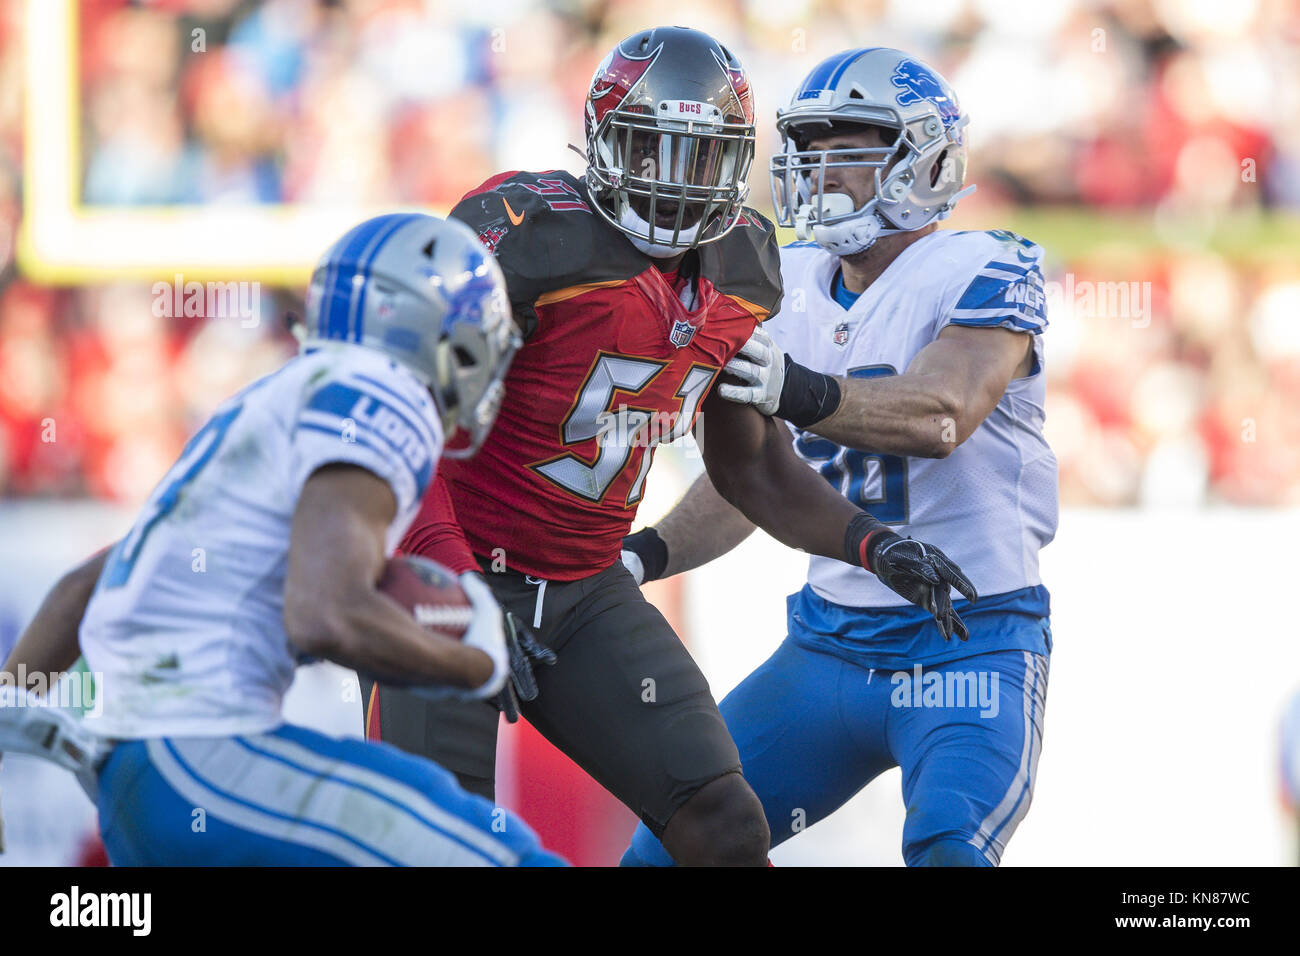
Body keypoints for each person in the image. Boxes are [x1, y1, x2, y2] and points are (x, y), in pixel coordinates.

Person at [363, 28, 975, 867]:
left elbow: (749, 466)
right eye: (653, 149)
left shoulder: (747, 265)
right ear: (604, 142)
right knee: (443, 843)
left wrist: (870, 542)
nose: (673, 184)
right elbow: (403, 432)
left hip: (583, 590)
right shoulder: (529, 234)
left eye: (701, 156)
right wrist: (459, 591)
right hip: (445, 568)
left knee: (724, 823)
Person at [0, 213, 566, 866]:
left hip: (135, 780)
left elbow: (80, 590)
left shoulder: (272, 400)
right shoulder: (380, 394)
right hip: (206, 757)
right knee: (508, 857)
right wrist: (477, 657)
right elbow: (325, 615)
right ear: (434, 335)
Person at [620, 47, 1057, 866]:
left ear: (923, 160)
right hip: (827, 648)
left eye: (847, 148)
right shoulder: (784, 281)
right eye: (809, 148)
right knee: (675, 848)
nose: (819, 170)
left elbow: (941, 413)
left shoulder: (984, 265)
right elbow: (753, 481)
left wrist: (801, 390)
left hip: (970, 638)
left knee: (949, 847)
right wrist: (642, 556)